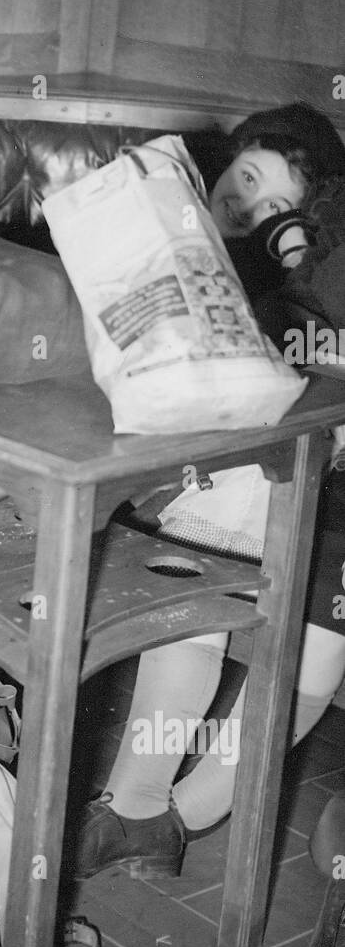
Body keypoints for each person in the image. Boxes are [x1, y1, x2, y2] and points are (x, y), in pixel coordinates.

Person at [75, 102, 345, 878]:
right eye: (248, 177)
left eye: (274, 209)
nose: (249, 205)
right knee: (199, 584)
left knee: (316, 658)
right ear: (229, 156)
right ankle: (131, 806)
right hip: (215, 468)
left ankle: (175, 819)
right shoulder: (158, 224)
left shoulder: (292, 266)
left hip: (312, 478)